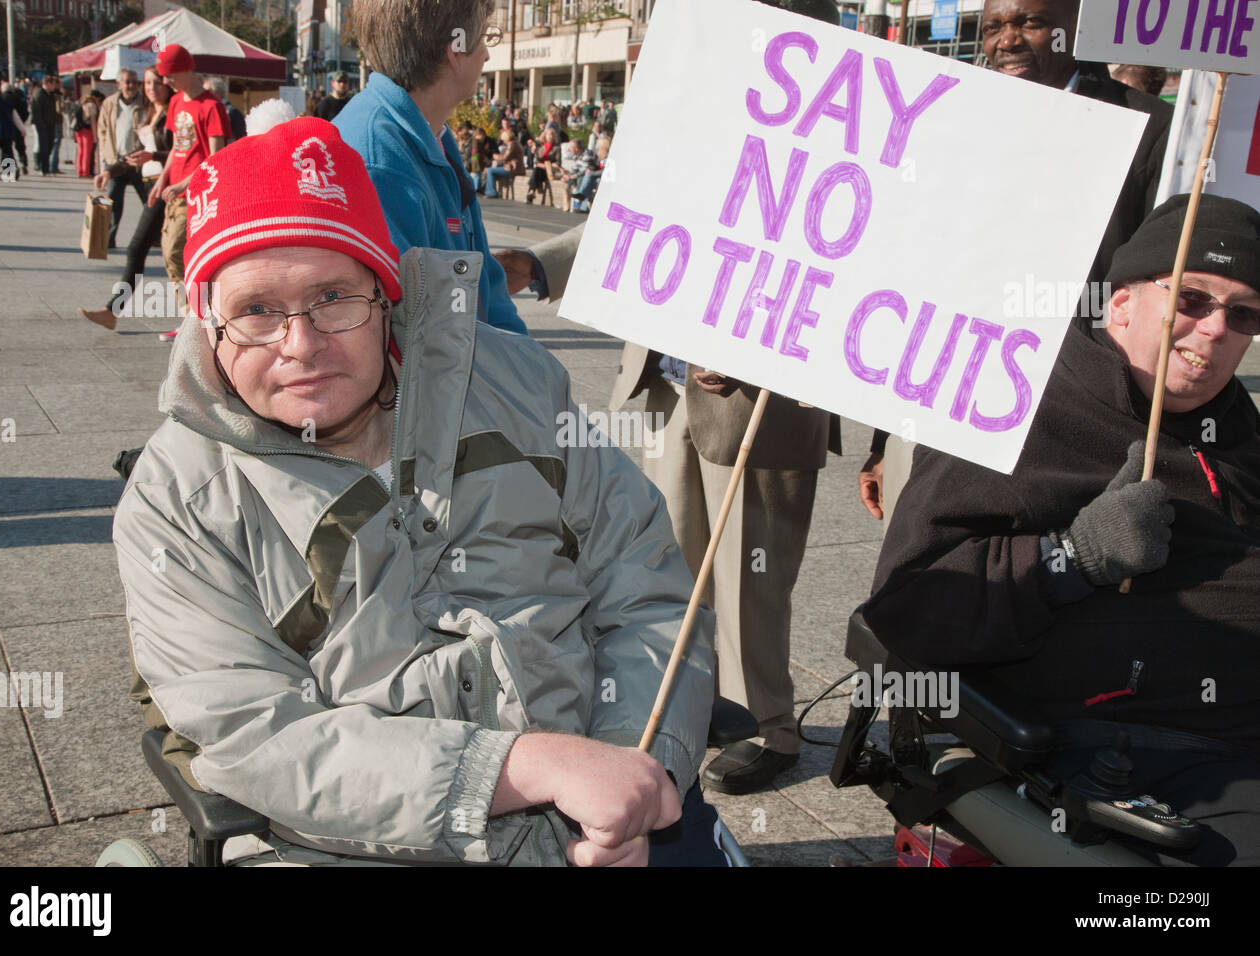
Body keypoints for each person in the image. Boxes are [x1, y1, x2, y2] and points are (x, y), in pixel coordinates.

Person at [113, 116, 720, 867]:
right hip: (359, 847)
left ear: (386, 293)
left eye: (333, 295)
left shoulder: (523, 385)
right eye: (257, 310)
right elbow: (252, 730)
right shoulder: (174, 497)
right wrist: (521, 769)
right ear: (208, 324)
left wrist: (636, 767)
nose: (301, 344)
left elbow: (652, 593)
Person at [864, 194, 1260, 867]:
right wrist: (1071, 558)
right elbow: (905, 613)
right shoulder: (1013, 402)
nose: (1216, 329)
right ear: (1122, 303)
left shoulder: (1232, 423)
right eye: (1192, 300)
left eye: (1244, 314)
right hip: (1125, 747)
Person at [494, 217, 841, 795]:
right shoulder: (690, 130)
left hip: (760, 397)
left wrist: (753, 341)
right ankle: (694, 702)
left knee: (747, 578)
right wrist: (541, 262)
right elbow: (645, 210)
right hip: (667, 385)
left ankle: (770, 727)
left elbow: (840, 264)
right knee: (666, 565)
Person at [858, 0, 1175, 525]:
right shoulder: (950, 121)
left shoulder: (1146, 128)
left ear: (1073, 27)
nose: (1007, 41)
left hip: (1074, 412)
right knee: (930, 576)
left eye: (1029, 23)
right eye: (993, 27)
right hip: (944, 401)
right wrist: (886, 436)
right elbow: (921, 276)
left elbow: (1154, 288)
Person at [334, 0, 524, 334]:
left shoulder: (429, 133)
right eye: (486, 38)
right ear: (455, 51)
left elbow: (485, 280)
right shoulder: (378, 160)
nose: (487, 55)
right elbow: (417, 332)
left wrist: (526, 365)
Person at [80, 67, 173, 329]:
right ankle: (113, 311)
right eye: (147, 83)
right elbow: (138, 152)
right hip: (152, 182)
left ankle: (114, 310)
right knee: (156, 252)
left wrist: (153, 157)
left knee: (144, 250)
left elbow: (182, 155)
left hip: (165, 186)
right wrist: (110, 171)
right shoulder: (152, 112)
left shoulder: (172, 114)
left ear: (167, 85)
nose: (150, 87)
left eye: (156, 83)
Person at [149, 43, 229, 343]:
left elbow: (215, 158)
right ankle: (189, 318)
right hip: (174, 191)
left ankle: (196, 319)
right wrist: (162, 180)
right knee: (172, 256)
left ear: (185, 69)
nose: (164, 82)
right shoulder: (175, 103)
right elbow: (176, 148)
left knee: (174, 252)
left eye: (168, 76)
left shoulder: (211, 106)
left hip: (196, 196)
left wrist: (184, 184)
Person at [94, 70, 148, 247]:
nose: (131, 85)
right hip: (115, 160)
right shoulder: (109, 103)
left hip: (138, 160)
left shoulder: (145, 102)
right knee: (113, 203)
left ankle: (153, 237)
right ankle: (108, 239)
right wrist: (103, 163)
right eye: (127, 82)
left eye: (134, 82)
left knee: (149, 202)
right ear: (119, 84)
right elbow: (102, 133)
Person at [30, 74, 62, 176]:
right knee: (43, 146)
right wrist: (41, 123)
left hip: (50, 123)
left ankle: (45, 166)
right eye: (53, 84)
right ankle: (44, 168)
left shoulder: (51, 94)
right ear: (47, 84)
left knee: (49, 145)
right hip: (42, 124)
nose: (54, 87)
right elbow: (37, 111)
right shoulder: (39, 94)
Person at [203, 76, 246, 143]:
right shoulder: (206, 110)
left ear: (218, 92)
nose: (203, 94)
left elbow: (241, 137)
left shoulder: (231, 111)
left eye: (208, 91)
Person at [483, 127, 522, 197]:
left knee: (490, 171)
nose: (503, 141)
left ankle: (491, 192)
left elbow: (505, 157)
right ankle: (489, 190)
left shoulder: (511, 144)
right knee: (492, 169)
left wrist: (496, 157)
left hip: (512, 169)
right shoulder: (515, 143)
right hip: (514, 167)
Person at [526, 125, 561, 203]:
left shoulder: (556, 148)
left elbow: (558, 162)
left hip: (550, 170)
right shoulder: (541, 147)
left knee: (535, 172)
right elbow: (537, 160)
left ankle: (531, 192)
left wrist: (547, 165)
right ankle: (531, 192)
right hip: (540, 169)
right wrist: (534, 152)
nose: (550, 137)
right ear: (545, 136)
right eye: (549, 135)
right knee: (536, 170)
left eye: (552, 135)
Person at [3, 79, 29, 175]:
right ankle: (23, 163)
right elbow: (25, 112)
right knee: (21, 147)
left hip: (6, 128)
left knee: (7, 149)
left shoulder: (2, 99)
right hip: (18, 126)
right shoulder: (18, 98)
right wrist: (23, 122)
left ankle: (9, 170)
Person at [72, 90, 98, 178]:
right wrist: (95, 136)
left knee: (80, 151)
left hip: (78, 130)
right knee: (87, 152)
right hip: (87, 131)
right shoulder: (91, 106)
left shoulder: (80, 104)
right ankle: (86, 172)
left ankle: (80, 170)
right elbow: (93, 121)